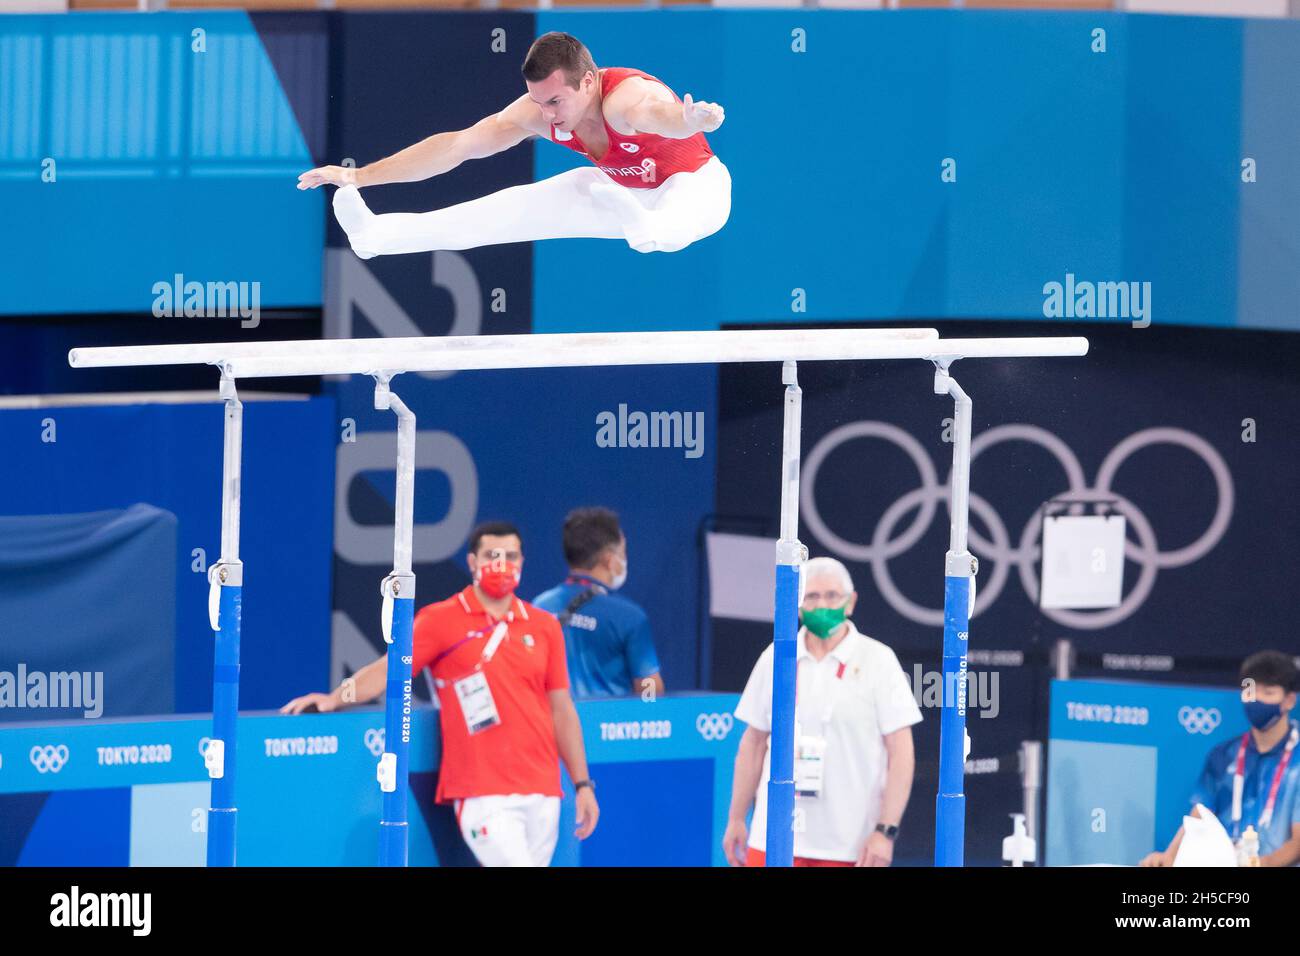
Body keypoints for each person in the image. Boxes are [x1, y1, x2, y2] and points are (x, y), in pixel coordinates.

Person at [282, 520, 599, 867]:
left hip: (542, 789)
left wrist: (582, 783)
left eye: (511, 556)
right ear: (473, 562)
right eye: (492, 555)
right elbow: (390, 669)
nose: (502, 564)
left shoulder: (544, 626)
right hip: (482, 791)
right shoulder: (440, 620)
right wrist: (334, 698)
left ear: (523, 561)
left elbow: (561, 709)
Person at [297, 31, 730, 256]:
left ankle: (650, 230)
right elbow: (455, 147)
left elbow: (661, 117)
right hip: (620, 195)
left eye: (556, 100)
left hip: (697, 188)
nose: (546, 114)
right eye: (539, 101)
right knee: (507, 211)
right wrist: (357, 175)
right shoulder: (536, 112)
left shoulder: (626, 99)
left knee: (677, 210)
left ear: (589, 80)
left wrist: (689, 119)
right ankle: (377, 236)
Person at [724, 556, 921, 867]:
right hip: (776, 835)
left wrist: (885, 830)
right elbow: (753, 744)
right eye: (812, 597)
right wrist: (736, 817)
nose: (822, 606)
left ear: (851, 602)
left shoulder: (879, 661)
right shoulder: (776, 657)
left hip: (848, 844)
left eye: (832, 596)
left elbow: (902, 753)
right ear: (798, 605)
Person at [1140, 650, 1300, 867]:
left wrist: (1262, 864)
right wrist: (1169, 856)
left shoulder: (1295, 760)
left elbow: (1298, 841)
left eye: (1268, 693)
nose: (1257, 700)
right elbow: (1199, 816)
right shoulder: (1224, 754)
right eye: (1251, 691)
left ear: (1289, 700)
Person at [533, 507, 664, 700]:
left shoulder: (540, 606)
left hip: (552, 726)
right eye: (623, 552)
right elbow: (650, 691)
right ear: (609, 560)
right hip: (607, 728)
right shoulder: (630, 617)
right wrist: (651, 700)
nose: (625, 559)